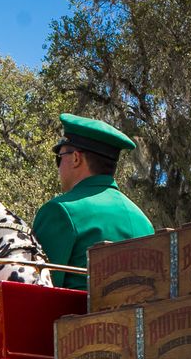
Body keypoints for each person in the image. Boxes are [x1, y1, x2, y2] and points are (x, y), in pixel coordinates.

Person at [32, 113, 156, 292]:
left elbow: (36, 291)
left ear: (76, 158)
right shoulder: (143, 221)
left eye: (59, 157)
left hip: (78, 319)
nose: (58, 167)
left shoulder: (60, 211)